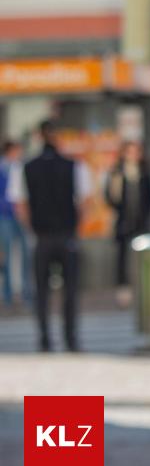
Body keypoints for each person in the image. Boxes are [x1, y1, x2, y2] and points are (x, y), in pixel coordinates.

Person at [6, 121, 90, 352]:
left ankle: (44, 338)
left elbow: (20, 205)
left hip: (41, 235)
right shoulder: (74, 166)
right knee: (70, 290)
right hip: (66, 234)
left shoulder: (24, 167)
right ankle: (70, 338)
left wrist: (32, 228)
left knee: (41, 290)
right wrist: (74, 228)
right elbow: (84, 202)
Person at [105, 141, 150, 296]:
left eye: (136, 151)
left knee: (144, 255)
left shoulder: (145, 173)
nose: (133, 155)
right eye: (129, 152)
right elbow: (111, 197)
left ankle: (144, 285)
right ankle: (123, 288)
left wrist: (146, 215)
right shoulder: (117, 173)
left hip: (141, 221)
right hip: (123, 221)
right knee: (122, 256)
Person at [0, 140, 31, 307]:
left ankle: (27, 293)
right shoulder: (2, 168)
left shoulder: (23, 167)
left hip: (22, 215)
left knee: (27, 253)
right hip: (5, 215)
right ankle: (7, 294)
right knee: (6, 254)